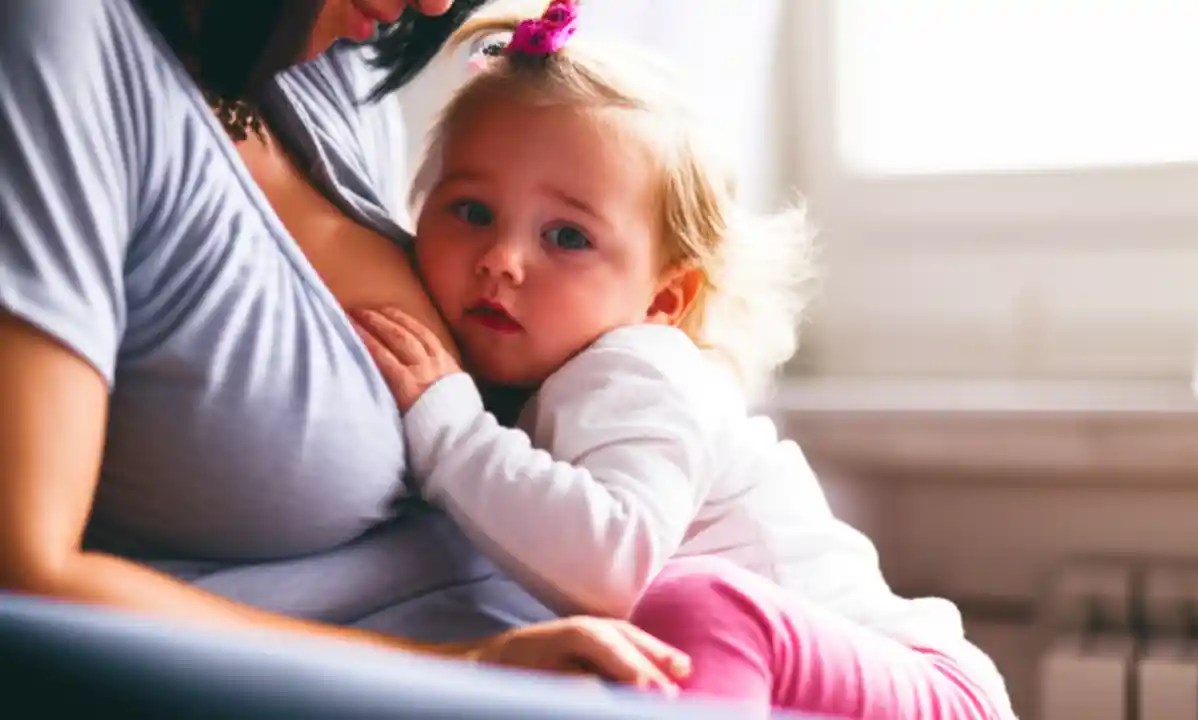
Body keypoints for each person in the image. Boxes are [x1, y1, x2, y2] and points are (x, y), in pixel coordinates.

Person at [0, 0, 690, 694]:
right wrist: (463, 668)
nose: (434, 6)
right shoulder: (59, 41)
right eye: (474, 213)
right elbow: (26, 573)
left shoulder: (339, 65)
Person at [352, 2, 1017, 717]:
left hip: (923, 687)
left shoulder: (639, 369)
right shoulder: (529, 379)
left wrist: (447, 425)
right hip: (803, 685)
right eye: (471, 212)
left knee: (694, 599)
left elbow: (612, 565)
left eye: (568, 238)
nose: (501, 261)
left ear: (664, 301)